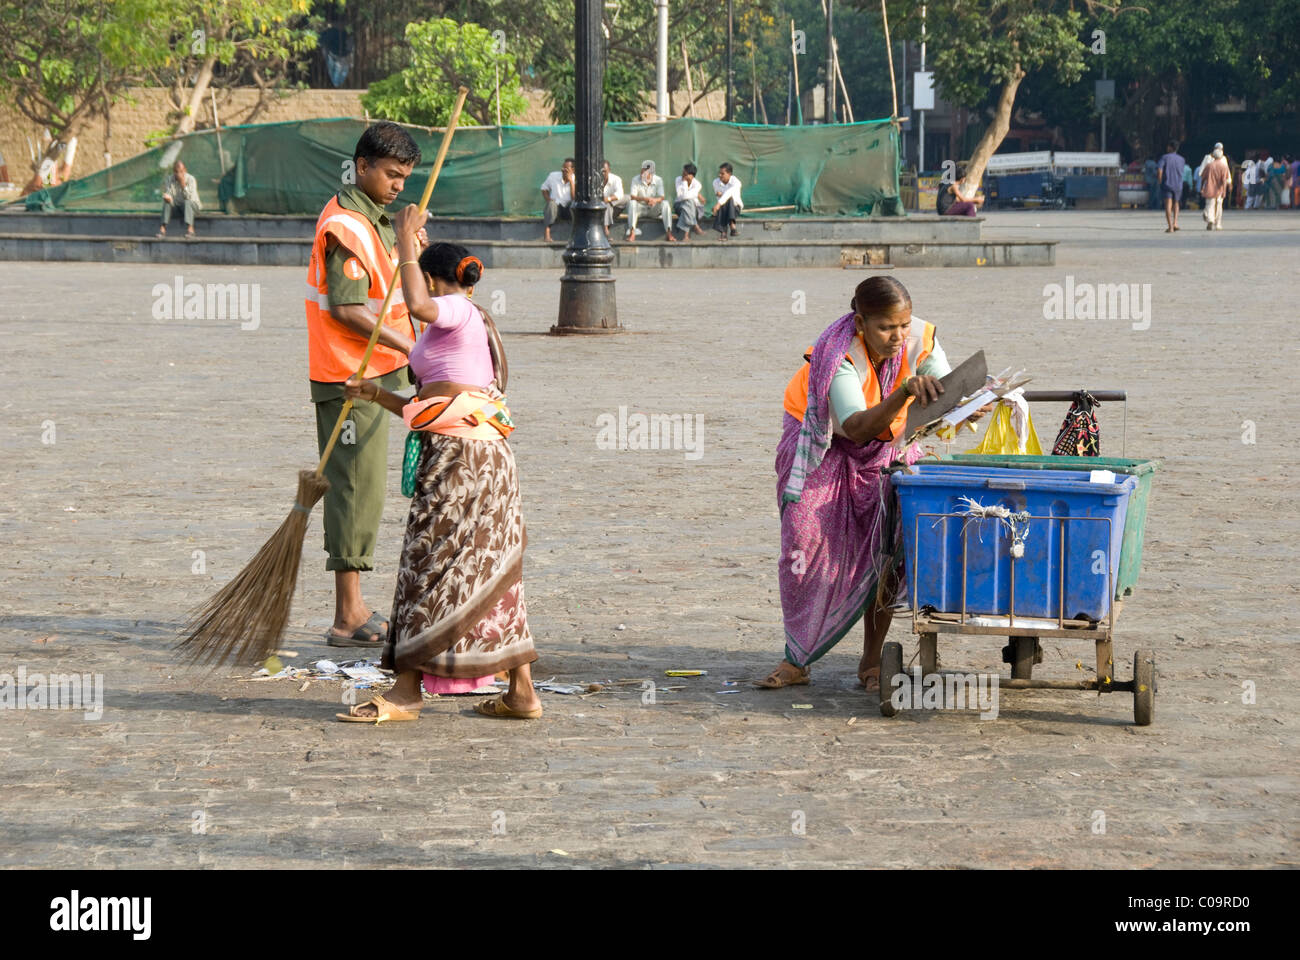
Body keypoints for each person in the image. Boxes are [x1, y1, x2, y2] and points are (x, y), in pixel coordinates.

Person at [335, 228, 541, 723]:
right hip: (466, 454)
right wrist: (373, 394)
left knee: (425, 565)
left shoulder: (458, 310)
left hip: (463, 461)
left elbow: (421, 305)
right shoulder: (450, 328)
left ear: (431, 278)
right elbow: (428, 403)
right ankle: (521, 692)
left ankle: (407, 691)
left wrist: (405, 242)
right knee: (485, 569)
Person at [756, 276, 988, 694]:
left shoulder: (920, 338)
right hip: (825, 447)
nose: (898, 336)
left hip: (887, 448)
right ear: (861, 322)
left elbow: (944, 386)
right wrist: (902, 394)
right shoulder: (837, 355)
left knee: (886, 550)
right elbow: (857, 427)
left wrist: (965, 406)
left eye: (903, 325)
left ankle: (871, 659)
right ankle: (798, 658)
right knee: (804, 549)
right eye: (886, 328)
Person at [305, 121, 423, 649]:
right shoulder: (348, 227)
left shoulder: (375, 220)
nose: (399, 186)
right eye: (391, 175)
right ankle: (347, 614)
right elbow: (348, 307)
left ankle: (354, 606)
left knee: (367, 490)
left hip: (375, 372)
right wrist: (408, 346)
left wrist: (412, 245)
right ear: (362, 167)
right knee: (353, 490)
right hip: (350, 376)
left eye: (404, 177)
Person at [627, 160, 673, 242]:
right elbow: (632, 196)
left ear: (651, 174)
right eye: (642, 172)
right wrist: (646, 199)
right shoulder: (635, 179)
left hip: (653, 209)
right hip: (640, 209)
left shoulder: (658, 180)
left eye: (644, 173)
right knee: (632, 203)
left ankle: (669, 233)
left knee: (665, 203)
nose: (642, 175)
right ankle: (632, 233)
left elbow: (662, 197)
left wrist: (654, 200)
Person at [157, 160, 201, 238]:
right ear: (174, 171)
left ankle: (191, 230)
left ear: (185, 170)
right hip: (178, 206)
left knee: (187, 202)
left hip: (193, 206)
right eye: (176, 172)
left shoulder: (191, 179)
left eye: (181, 171)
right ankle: (162, 229)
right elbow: (169, 194)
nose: (179, 174)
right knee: (167, 203)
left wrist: (183, 184)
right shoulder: (169, 179)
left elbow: (189, 198)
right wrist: (168, 199)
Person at [540, 158, 575, 242]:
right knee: (551, 204)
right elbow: (544, 189)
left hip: (569, 210)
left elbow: (574, 198)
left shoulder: (577, 179)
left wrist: (571, 181)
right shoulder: (553, 176)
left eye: (566, 169)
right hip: (556, 209)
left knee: (575, 205)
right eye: (562, 168)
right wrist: (548, 199)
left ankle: (575, 235)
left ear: (573, 170)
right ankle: (547, 234)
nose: (563, 170)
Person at [1199, 143, 1231, 231]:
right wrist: (1224, 190)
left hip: (1209, 189)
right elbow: (1224, 180)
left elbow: (1203, 178)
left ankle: (1210, 220)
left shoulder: (1209, 165)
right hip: (1219, 190)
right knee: (1219, 206)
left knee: (1209, 205)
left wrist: (1201, 187)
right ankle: (1217, 224)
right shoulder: (1223, 166)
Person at [1156, 141, 1186, 231]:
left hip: (1167, 184)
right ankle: (1175, 223)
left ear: (1170, 147)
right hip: (1178, 185)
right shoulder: (1182, 159)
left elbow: (1159, 170)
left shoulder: (1164, 157)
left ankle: (1170, 227)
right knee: (1176, 203)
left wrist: (1160, 181)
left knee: (1168, 205)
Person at [673, 162, 706, 242]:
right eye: (683, 173)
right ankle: (695, 225)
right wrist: (684, 182)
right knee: (689, 202)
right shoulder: (678, 179)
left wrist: (693, 195)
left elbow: (685, 197)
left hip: (695, 208)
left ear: (692, 175)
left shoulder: (697, 184)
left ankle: (686, 235)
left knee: (689, 203)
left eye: (685, 174)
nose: (683, 176)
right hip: (679, 206)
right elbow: (681, 196)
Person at [711, 162, 744, 239]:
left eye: (722, 174)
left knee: (730, 198)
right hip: (723, 207)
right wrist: (720, 201)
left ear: (729, 174)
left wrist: (718, 203)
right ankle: (732, 227)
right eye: (719, 173)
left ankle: (723, 233)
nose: (720, 175)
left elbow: (729, 193)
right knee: (725, 202)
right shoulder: (715, 182)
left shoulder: (736, 182)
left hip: (735, 207)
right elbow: (720, 198)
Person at [600, 159, 626, 237]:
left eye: (605, 171)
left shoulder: (616, 179)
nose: (603, 173)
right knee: (607, 205)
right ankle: (605, 228)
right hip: (604, 206)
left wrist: (608, 199)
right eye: (601, 171)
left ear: (609, 170)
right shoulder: (595, 180)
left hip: (616, 204)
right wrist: (607, 201)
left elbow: (620, 194)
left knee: (627, 198)